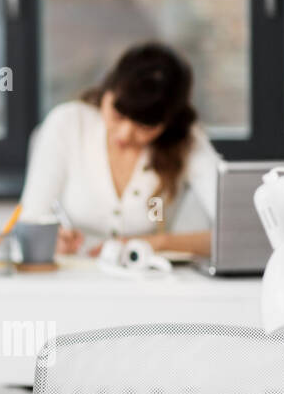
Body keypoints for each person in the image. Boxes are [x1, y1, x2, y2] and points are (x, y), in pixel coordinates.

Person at [20, 41, 221, 258]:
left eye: (145, 126)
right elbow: (31, 218)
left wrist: (160, 243)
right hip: (75, 273)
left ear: (169, 122)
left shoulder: (186, 141)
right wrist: (54, 239)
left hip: (148, 276)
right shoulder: (68, 123)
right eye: (118, 114)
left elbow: (238, 232)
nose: (125, 134)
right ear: (107, 91)